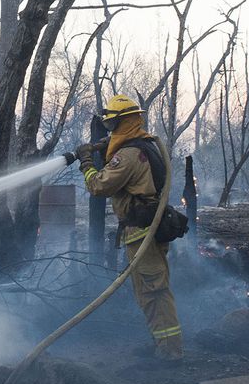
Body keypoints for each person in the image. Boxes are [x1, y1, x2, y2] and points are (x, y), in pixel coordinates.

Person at [76, 94, 182, 362]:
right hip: (146, 229)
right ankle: (163, 345)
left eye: (113, 125)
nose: (110, 130)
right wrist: (102, 146)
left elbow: (99, 185)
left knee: (154, 292)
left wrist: (87, 163)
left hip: (142, 230)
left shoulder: (129, 154)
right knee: (148, 292)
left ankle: (170, 352)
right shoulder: (144, 144)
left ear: (124, 122)